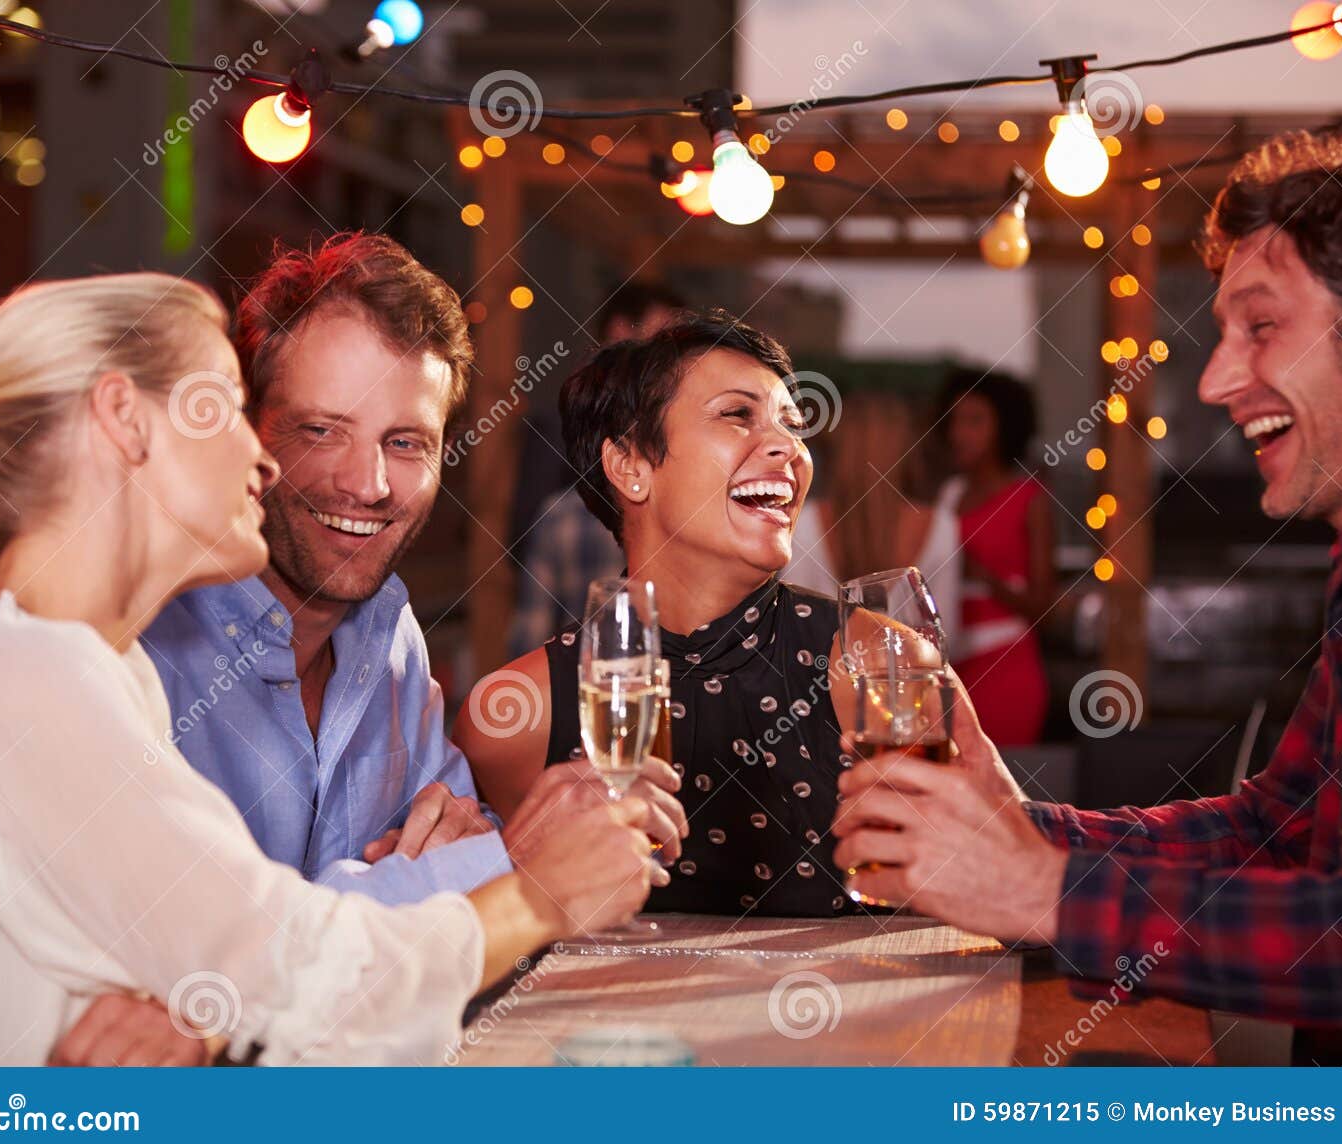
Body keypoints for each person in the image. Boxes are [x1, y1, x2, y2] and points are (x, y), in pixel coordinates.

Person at [0, 272, 659, 1065]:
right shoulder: (11, 668)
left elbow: (241, 953)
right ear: (123, 420)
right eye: (226, 409)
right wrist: (534, 892)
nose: (258, 455)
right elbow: (294, 966)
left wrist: (212, 994)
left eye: (405, 440)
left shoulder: (82, 665)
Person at [831, 132, 1342, 1063]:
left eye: (1262, 326)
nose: (1215, 379)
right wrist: (1018, 830)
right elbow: (1275, 829)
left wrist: (1048, 892)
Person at [141, 234, 682, 907]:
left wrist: (471, 839)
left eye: (404, 443)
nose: (368, 484)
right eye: (321, 430)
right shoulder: (145, 640)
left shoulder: (389, 635)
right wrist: (502, 857)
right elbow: (229, 952)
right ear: (248, 432)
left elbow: (454, 850)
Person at [464, 310, 889, 918]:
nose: (789, 448)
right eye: (737, 415)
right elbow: (475, 948)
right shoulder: (514, 716)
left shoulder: (876, 665)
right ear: (631, 467)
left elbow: (985, 890)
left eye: (792, 425)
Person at [508, 283, 687, 657]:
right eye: (661, 338)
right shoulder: (560, 435)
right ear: (620, 329)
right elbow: (522, 540)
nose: (672, 358)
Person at [781, 391, 962, 646]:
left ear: (842, 450)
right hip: (910, 682)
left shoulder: (805, 521)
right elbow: (948, 636)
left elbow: (795, 626)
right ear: (907, 449)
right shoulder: (942, 525)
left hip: (823, 680)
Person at [937, 368, 1052, 745]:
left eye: (974, 421)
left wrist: (979, 574)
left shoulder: (1030, 500)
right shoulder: (948, 495)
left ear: (1005, 426)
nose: (959, 434)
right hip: (951, 671)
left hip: (1007, 669)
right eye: (954, 421)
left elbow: (1042, 605)